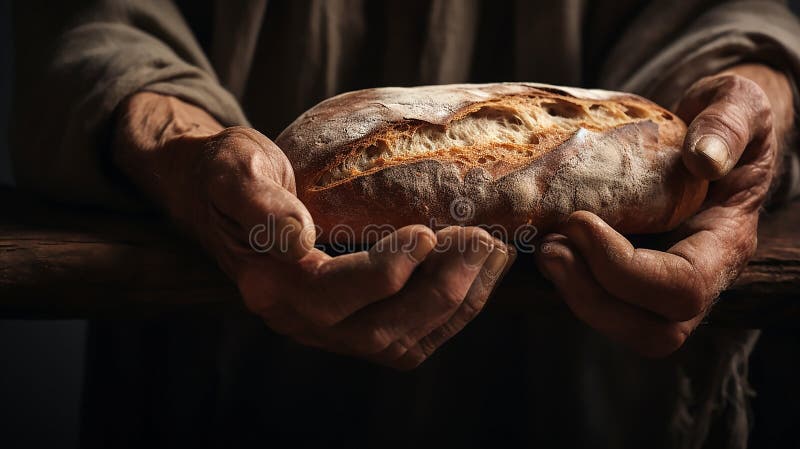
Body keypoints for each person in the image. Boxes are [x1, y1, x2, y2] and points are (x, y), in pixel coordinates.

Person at [11, 0, 800, 447]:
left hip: (578, 405)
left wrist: (743, 113)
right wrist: (184, 155)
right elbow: (92, 28)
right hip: (224, 399)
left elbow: (733, 19)